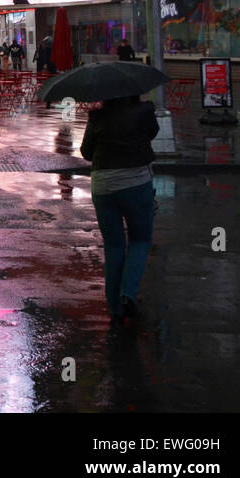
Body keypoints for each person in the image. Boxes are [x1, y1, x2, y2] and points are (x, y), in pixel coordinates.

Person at [80, 96, 159, 321]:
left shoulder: (98, 116)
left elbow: (86, 152)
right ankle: (128, 294)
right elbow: (152, 133)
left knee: (114, 246)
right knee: (140, 239)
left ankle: (115, 308)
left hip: (103, 185)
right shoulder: (144, 111)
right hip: (136, 182)